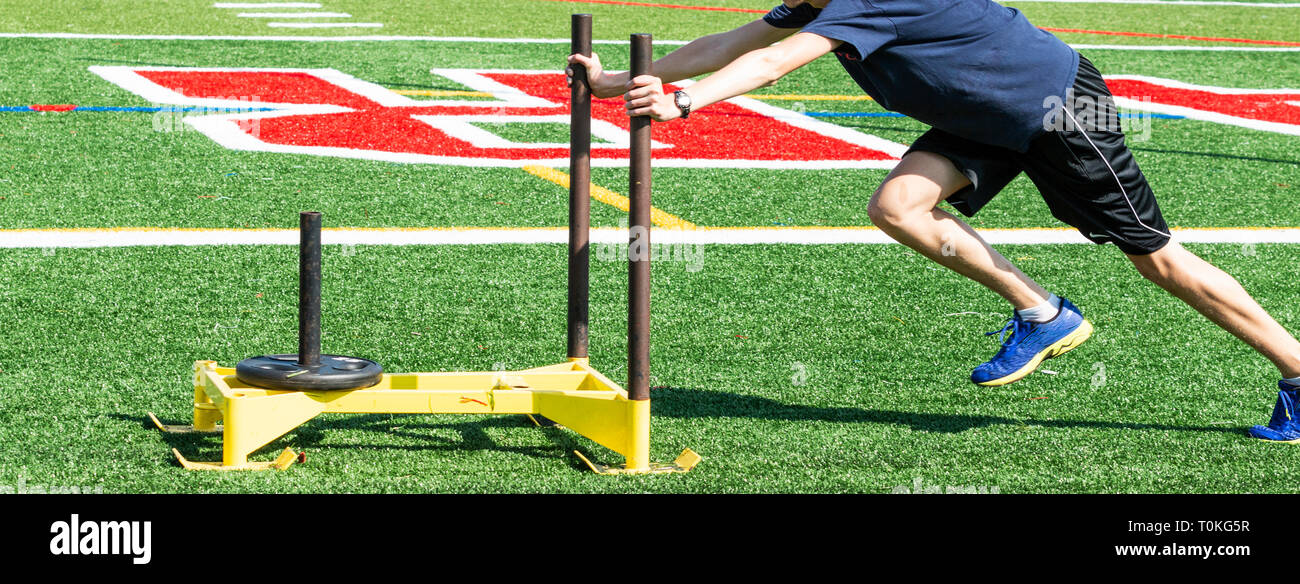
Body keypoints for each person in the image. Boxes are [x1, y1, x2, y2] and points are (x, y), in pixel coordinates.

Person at [566, 0, 1300, 442]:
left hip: (1056, 106)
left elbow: (779, 60)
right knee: (897, 207)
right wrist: (618, 81)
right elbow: (737, 42)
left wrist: (690, 102)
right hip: (983, 114)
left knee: (1156, 258)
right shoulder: (815, 1)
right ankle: (1043, 313)